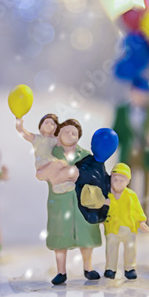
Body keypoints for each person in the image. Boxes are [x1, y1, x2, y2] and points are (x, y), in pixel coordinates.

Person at [42, 119, 102, 284]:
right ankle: (61, 271)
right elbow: (43, 173)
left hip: (83, 202)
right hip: (60, 202)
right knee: (60, 236)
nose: (70, 135)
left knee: (86, 236)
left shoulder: (87, 157)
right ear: (59, 134)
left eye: (74, 132)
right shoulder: (51, 154)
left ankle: (88, 268)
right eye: (66, 132)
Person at [111, 78, 149, 209]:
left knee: (147, 188)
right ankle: (127, 215)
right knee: (125, 185)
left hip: (145, 154)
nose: (139, 97)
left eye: (143, 94)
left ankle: (145, 217)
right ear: (131, 92)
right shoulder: (121, 110)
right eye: (137, 93)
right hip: (128, 153)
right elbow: (115, 131)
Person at [102, 164, 149, 280]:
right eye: (115, 179)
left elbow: (138, 210)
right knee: (111, 249)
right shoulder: (107, 195)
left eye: (122, 180)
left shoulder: (131, 195)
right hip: (113, 228)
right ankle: (110, 269)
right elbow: (101, 210)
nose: (118, 182)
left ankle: (130, 268)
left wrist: (142, 221)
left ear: (128, 181)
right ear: (111, 179)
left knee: (130, 249)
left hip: (129, 228)